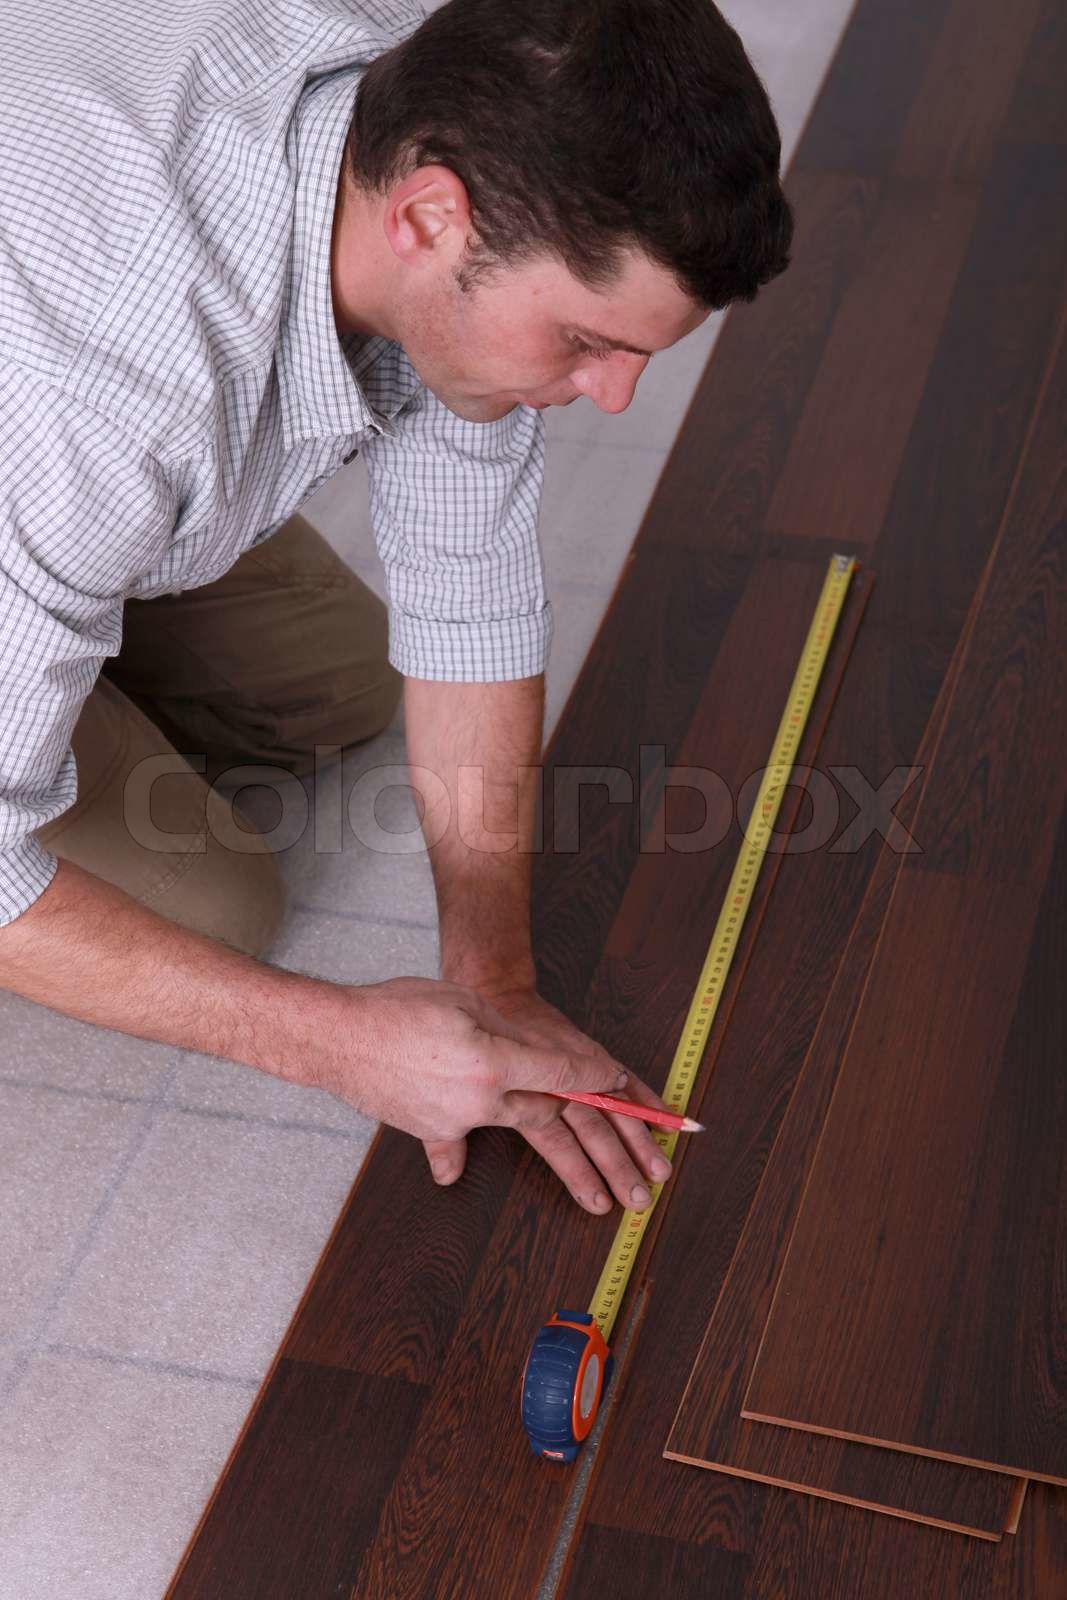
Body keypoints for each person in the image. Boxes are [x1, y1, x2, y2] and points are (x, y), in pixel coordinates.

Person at [0, 0, 791, 1214]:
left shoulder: (459, 81)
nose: (614, 397)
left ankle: (52, 619)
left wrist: (497, 979)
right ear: (427, 217)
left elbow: (467, 589)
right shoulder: (100, 395)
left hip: (71, 443)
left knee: (339, 684)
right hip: (51, 395)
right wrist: (346, 1042)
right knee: (219, 902)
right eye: (586, 340)